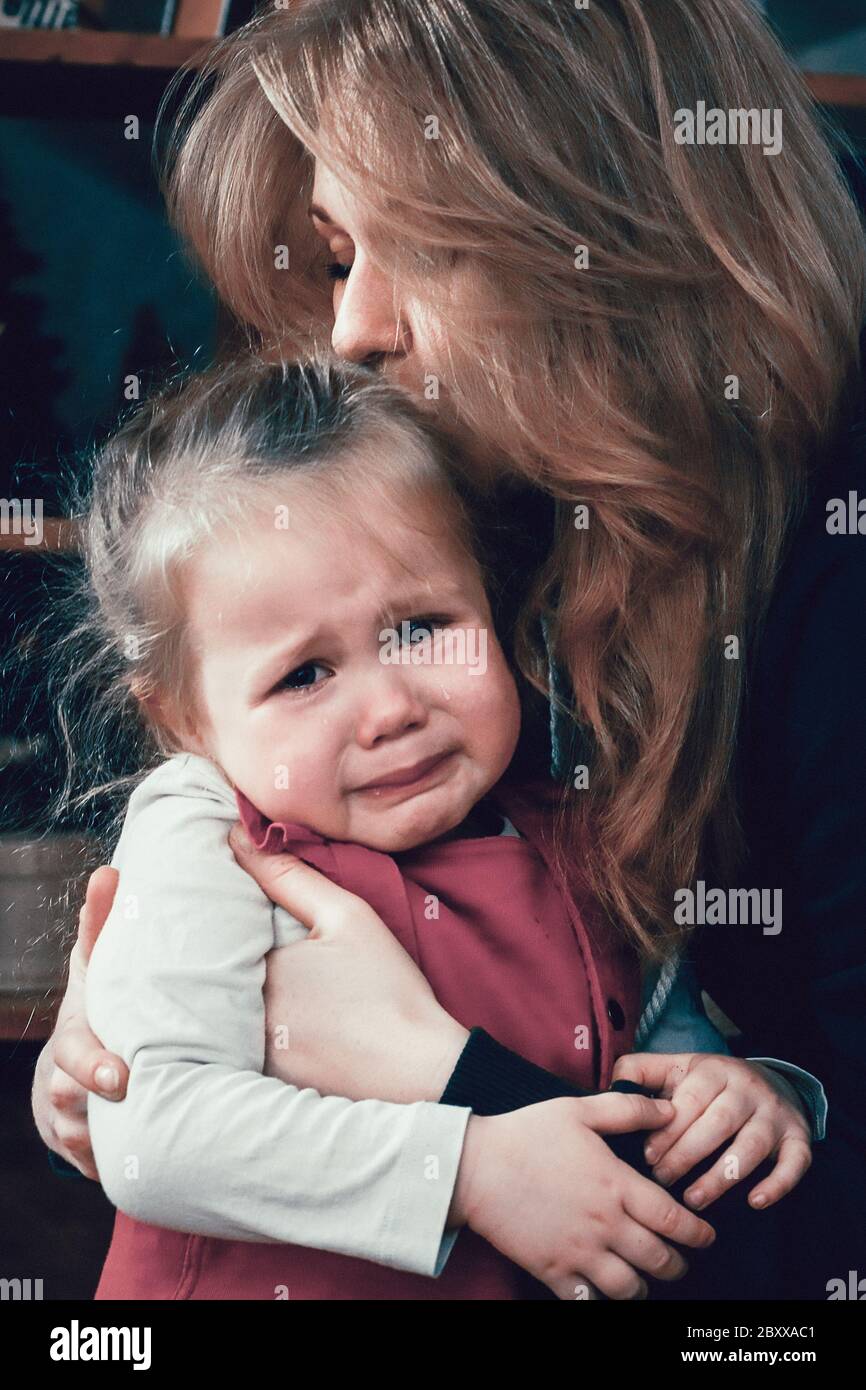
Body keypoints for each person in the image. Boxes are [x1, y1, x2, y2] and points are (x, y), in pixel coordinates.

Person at [31, 0, 865, 1298]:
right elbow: (154, 1111)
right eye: (337, 253)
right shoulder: (503, 548)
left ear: (611, 229)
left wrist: (759, 1093)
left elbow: (693, 1073)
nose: (352, 328)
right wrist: (139, 1014)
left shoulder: (808, 596)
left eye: (416, 245)